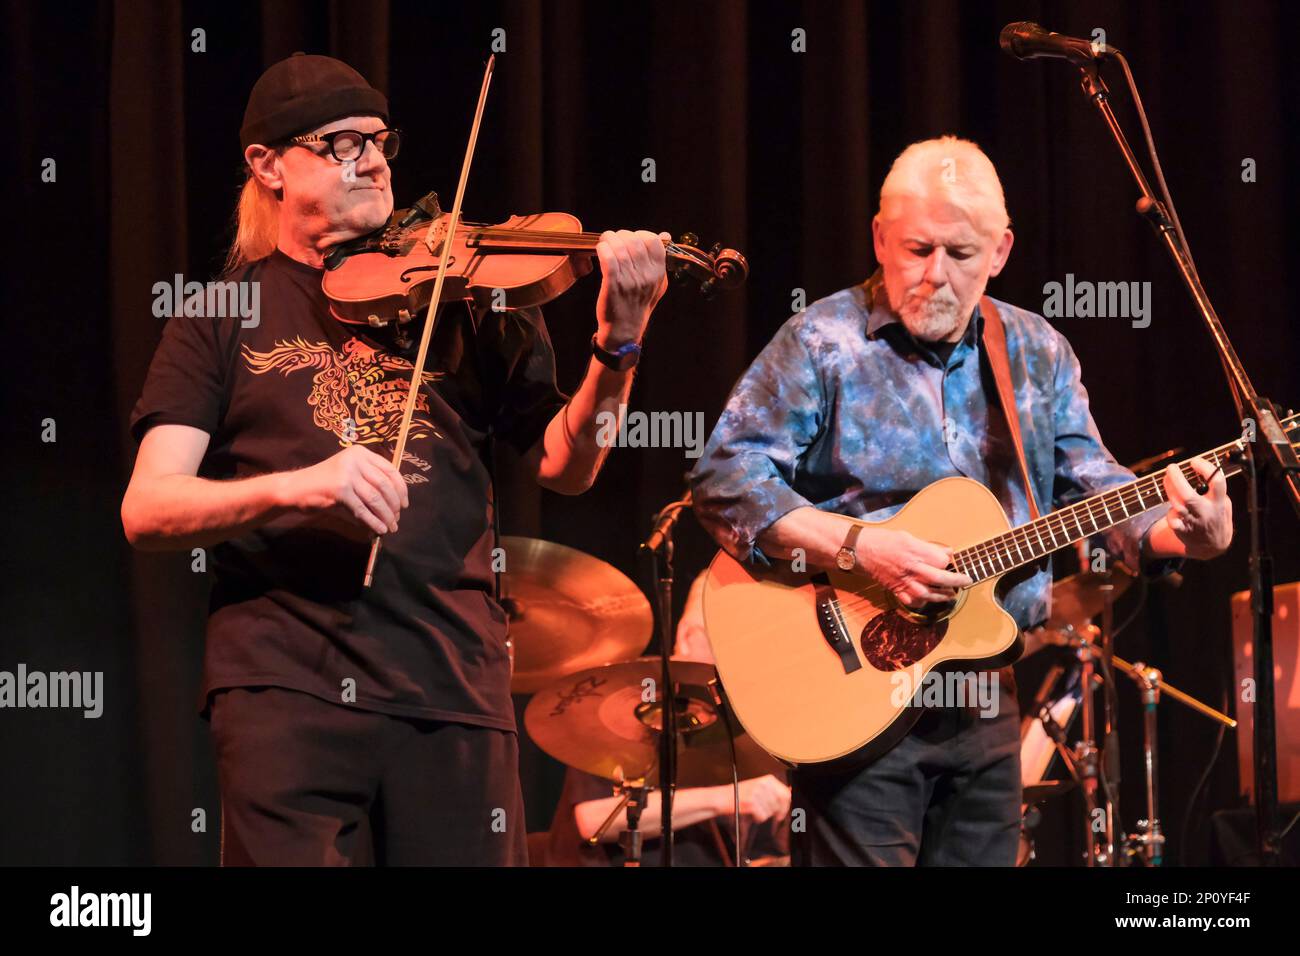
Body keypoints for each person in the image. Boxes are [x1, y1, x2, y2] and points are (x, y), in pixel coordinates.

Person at [120, 53, 669, 865]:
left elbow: (567, 464)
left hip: (453, 686)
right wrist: (303, 487)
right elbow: (149, 508)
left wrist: (618, 345)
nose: (374, 160)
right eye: (342, 143)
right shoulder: (219, 316)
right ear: (268, 166)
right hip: (286, 689)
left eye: (380, 141)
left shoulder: (468, 298)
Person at [689, 136, 1233, 866]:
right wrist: (860, 547)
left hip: (984, 688)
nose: (935, 276)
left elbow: (1100, 490)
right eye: (916, 249)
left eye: (961, 254)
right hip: (850, 692)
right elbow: (724, 476)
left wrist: (1184, 534)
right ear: (880, 237)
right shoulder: (823, 340)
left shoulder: (1037, 352)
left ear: (1001, 251)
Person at [545, 572, 791, 867]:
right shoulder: (625, 700)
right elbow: (592, 819)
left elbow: (769, 849)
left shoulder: (744, 724)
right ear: (689, 637)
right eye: (734, 643)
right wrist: (726, 798)